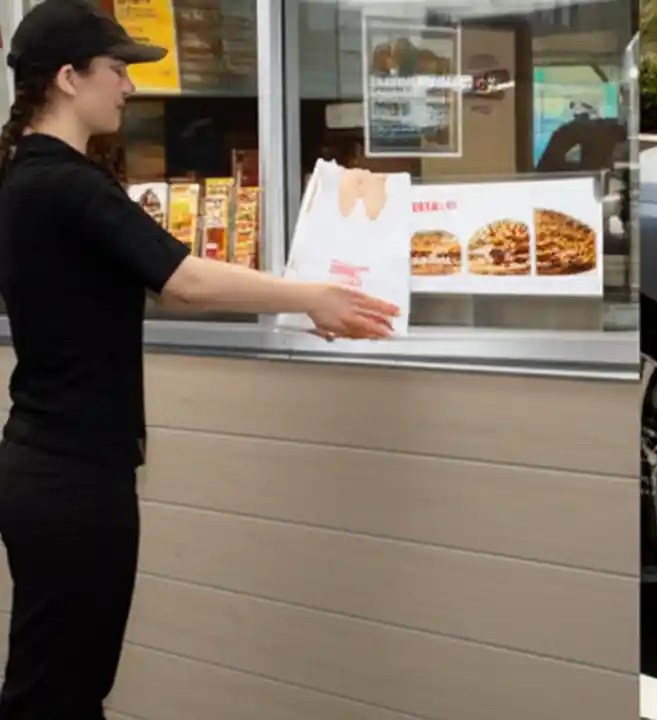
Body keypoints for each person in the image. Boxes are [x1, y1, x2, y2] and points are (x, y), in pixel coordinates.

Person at [0, 2, 400, 718]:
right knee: (60, 687)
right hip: (74, 479)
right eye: (116, 70)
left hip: (48, 466)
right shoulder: (67, 185)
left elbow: (164, 284)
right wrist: (309, 295)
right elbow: (184, 278)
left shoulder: (27, 180)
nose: (128, 87)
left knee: (56, 676)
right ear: (67, 77)